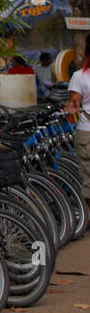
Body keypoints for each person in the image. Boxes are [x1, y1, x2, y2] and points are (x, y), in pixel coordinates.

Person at [65, 42, 90, 209]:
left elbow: (74, 104)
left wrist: (70, 108)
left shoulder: (80, 76)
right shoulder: (79, 75)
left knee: (89, 178)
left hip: (87, 131)